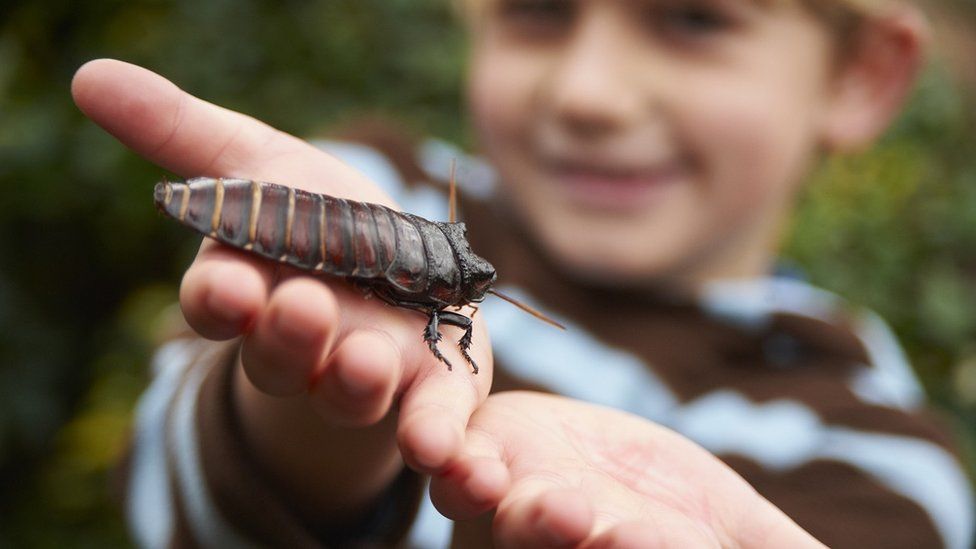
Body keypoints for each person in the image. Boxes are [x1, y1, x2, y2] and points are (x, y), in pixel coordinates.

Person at [72, 0, 974, 547]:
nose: (591, 94)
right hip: (302, 231)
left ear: (859, 75)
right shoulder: (376, 178)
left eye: (696, 17)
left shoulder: (881, 452)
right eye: (539, 8)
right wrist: (314, 430)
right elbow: (171, 474)